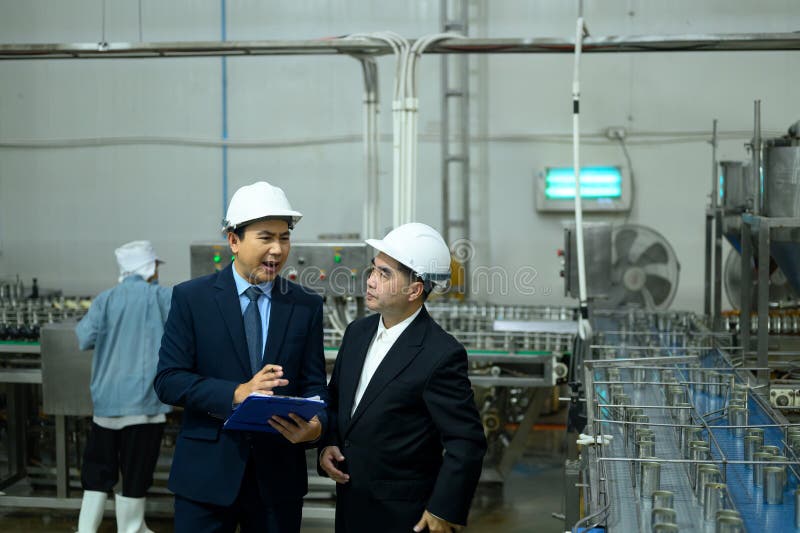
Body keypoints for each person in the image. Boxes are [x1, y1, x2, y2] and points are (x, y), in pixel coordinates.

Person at [154, 181, 328, 533]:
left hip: (277, 480)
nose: (278, 250)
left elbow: (314, 385)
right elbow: (168, 379)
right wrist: (236, 393)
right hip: (205, 478)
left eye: (284, 237)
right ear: (233, 240)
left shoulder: (305, 305)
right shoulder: (192, 299)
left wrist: (316, 429)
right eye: (266, 238)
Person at [318, 223, 487, 533]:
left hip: (403, 514)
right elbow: (338, 401)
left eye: (385, 275)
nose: (370, 281)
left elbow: (467, 441)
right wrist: (328, 444)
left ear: (414, 289)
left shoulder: (440, 354)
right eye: (373, 270)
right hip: (351, 501)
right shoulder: (357, 333)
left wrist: (443, 509)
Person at [75, 240, 172, 533]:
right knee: (135, 471)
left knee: (97, 471)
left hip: (106, 403)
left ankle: (86, 529)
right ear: (149, 268)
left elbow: (83, 338)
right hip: (143, 406)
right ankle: (131, 530)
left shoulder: (106, 299)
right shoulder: (162, 297)